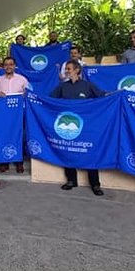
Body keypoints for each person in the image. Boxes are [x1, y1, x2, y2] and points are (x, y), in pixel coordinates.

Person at [50, 60, 106, 196]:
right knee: (68, 150)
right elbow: (50, 100)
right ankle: (71, 180)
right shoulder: (62, 87)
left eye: (69, 69)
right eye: (66, 69)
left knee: (90, 152)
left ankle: (95, 184)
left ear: (77, 70)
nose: (67, 71)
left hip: (86, 126)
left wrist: (118, 94)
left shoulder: (87, 85)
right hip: (67, 126)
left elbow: (103, 97)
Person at [0, 57, 28, 173]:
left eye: (11, 64)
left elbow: (29, 94)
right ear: (3, 66)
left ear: (14, 66)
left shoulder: (22, 80)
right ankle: (4, 162)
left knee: (19, 136)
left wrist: (24, 96)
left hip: (18, 114)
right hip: (4, 114)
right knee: (4, 136)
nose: (8, 66)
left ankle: (19, 162)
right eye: (6, 64)